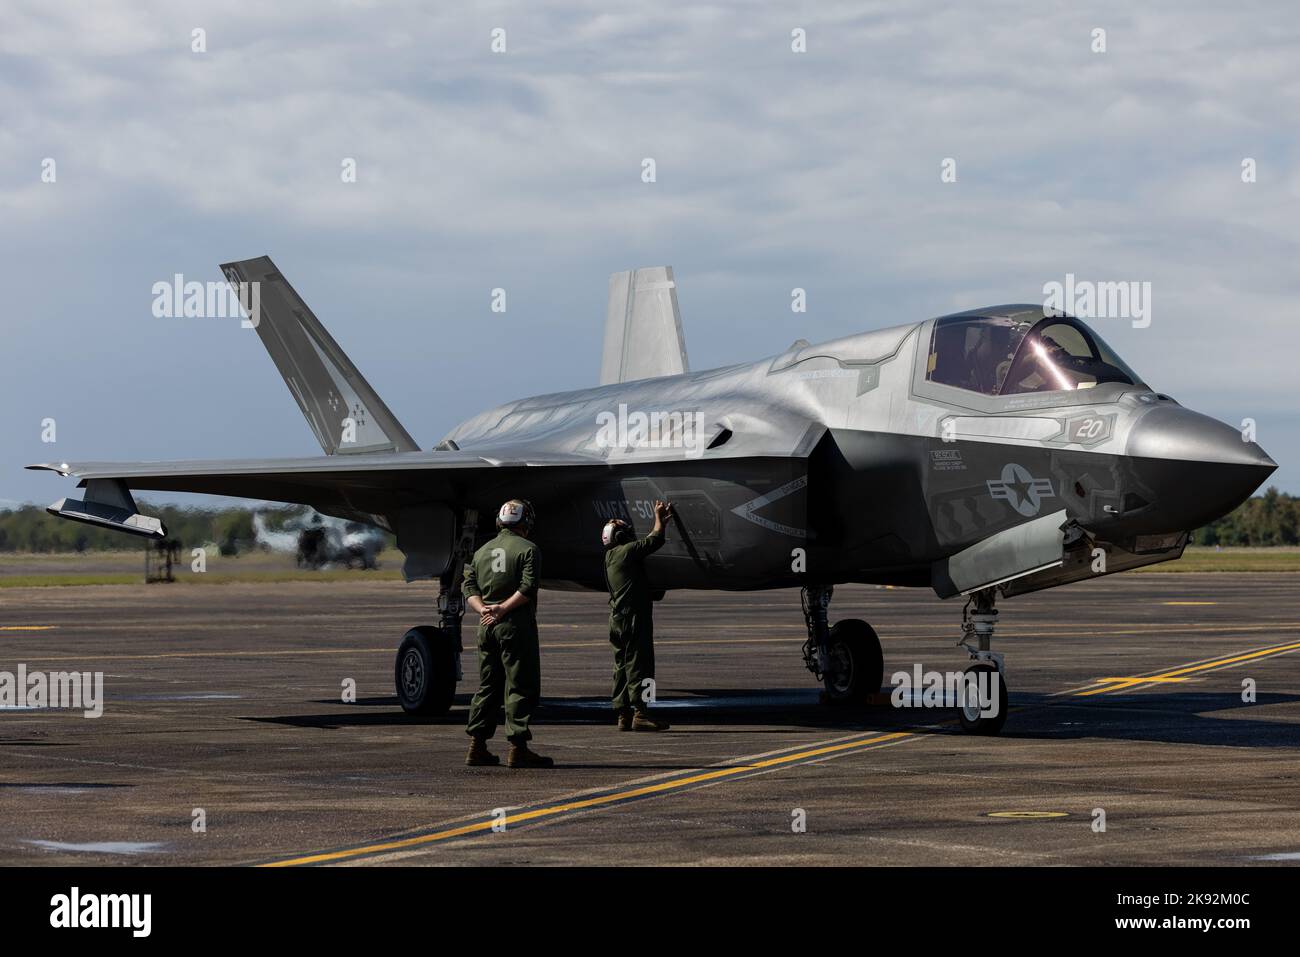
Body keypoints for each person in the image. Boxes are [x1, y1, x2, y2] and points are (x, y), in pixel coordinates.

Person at [462, 499, 553, 768]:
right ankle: (518, 748)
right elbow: (528, 588)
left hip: (486, 626)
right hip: (514, 626)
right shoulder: (529, 550)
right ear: (525, 522)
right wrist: (502, 609)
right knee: (520, 685)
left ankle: (477, 746)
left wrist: (484, 610)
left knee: (488, 685)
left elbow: (468, 587)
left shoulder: (481, 552)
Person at [602, 500, 674, 732]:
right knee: (641, 664)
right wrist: (659, 519)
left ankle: (622, 714)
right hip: (634, 618)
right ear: (622, 536)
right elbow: (654, 540)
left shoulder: (610, 556)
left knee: (621, 665)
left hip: (617, 618)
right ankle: (642, 713)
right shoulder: (627, 552)